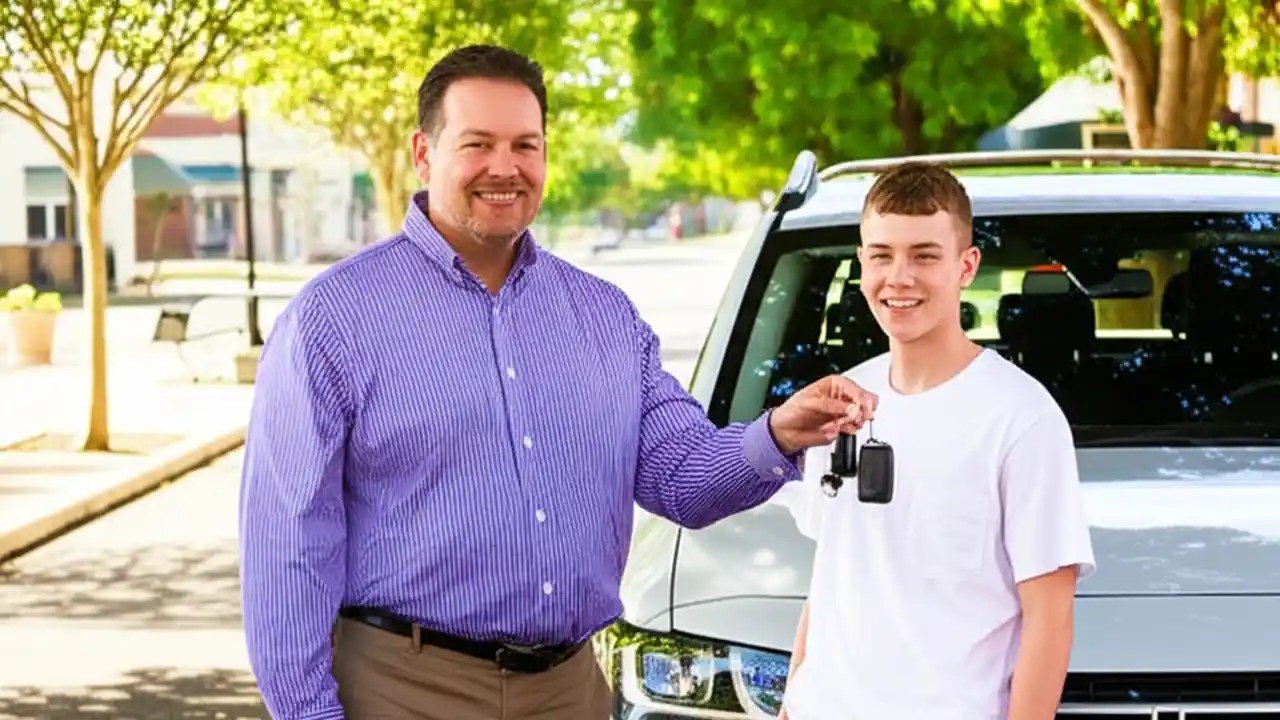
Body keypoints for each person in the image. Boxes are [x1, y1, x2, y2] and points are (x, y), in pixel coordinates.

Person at [237, 44, 878, 720]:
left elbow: (682, 477)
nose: (505, 167)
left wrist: (777, 432)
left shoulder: (604, 317)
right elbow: (288, 549)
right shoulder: (334, 319)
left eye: (525, 144)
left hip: (569, 690)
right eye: (477, 143)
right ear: (424, 155)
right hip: (404, 691)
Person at [775, 162, 1096, 720]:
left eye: (924, 255)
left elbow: (1050, 618)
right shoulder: (841, 401)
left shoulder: (1021, 417)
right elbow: (830, 585)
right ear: (862, 263)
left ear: (966, 265)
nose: (898, 277)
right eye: (881, 255)